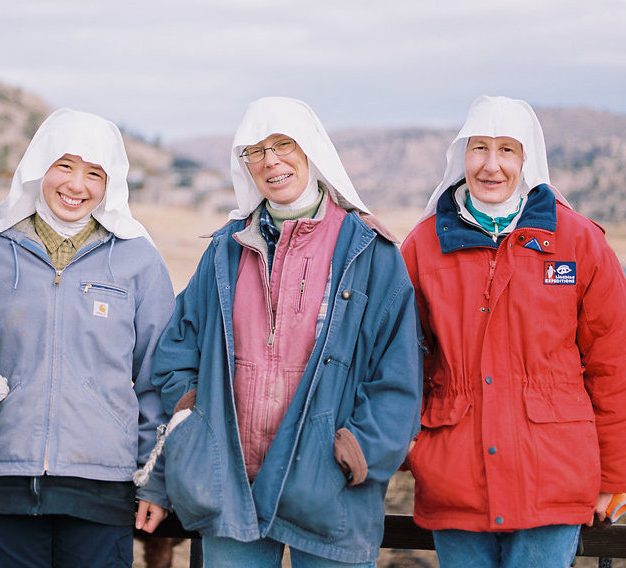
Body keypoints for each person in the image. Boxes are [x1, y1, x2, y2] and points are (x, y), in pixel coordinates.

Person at [150, 96, 422, 567]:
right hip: (232, 489)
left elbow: (398, 377)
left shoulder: (369, 253)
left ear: (311, 150)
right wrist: (193, 425)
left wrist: (357, 451)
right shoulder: (225, 250)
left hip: (330, 491)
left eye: (283, 144)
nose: (270, 160)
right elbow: (178, 351)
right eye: (255, 151)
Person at [399, 95, 626, 567]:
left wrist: (613, 479)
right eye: (479, 149)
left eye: (507, 150)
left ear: (527, 157)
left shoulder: (578, 243)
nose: (491, 165)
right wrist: (414, 448)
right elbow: (399, 360)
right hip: (455, 481)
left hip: (553, 478)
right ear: (461, 156)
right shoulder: (424, 246)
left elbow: (615, 365)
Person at [0, 108, 175, 568]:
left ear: (110, 183)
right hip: (2, 480)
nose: (76, 185)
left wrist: (154, 480)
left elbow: (157, 379)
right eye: (64, 166)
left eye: (93, 173)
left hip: (102, 485)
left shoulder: (139, 261)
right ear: (40, 166)